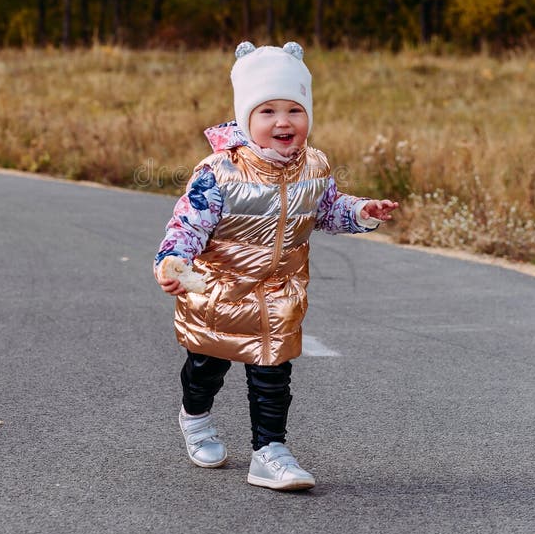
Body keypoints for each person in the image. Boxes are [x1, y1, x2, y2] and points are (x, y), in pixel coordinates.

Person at [154, 41, 398, 491]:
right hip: (217, 293)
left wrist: (362, 212)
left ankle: (269, 452)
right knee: (206, 369)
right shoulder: (219, 171)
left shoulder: (315, 165)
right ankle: (195, 417)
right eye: (267, 111)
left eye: (294, 110)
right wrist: (173, 261)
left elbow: (327, 209)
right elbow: (187, 223)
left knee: (273, 375)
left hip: (280, 295)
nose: (283, 121)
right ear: (247, 119)